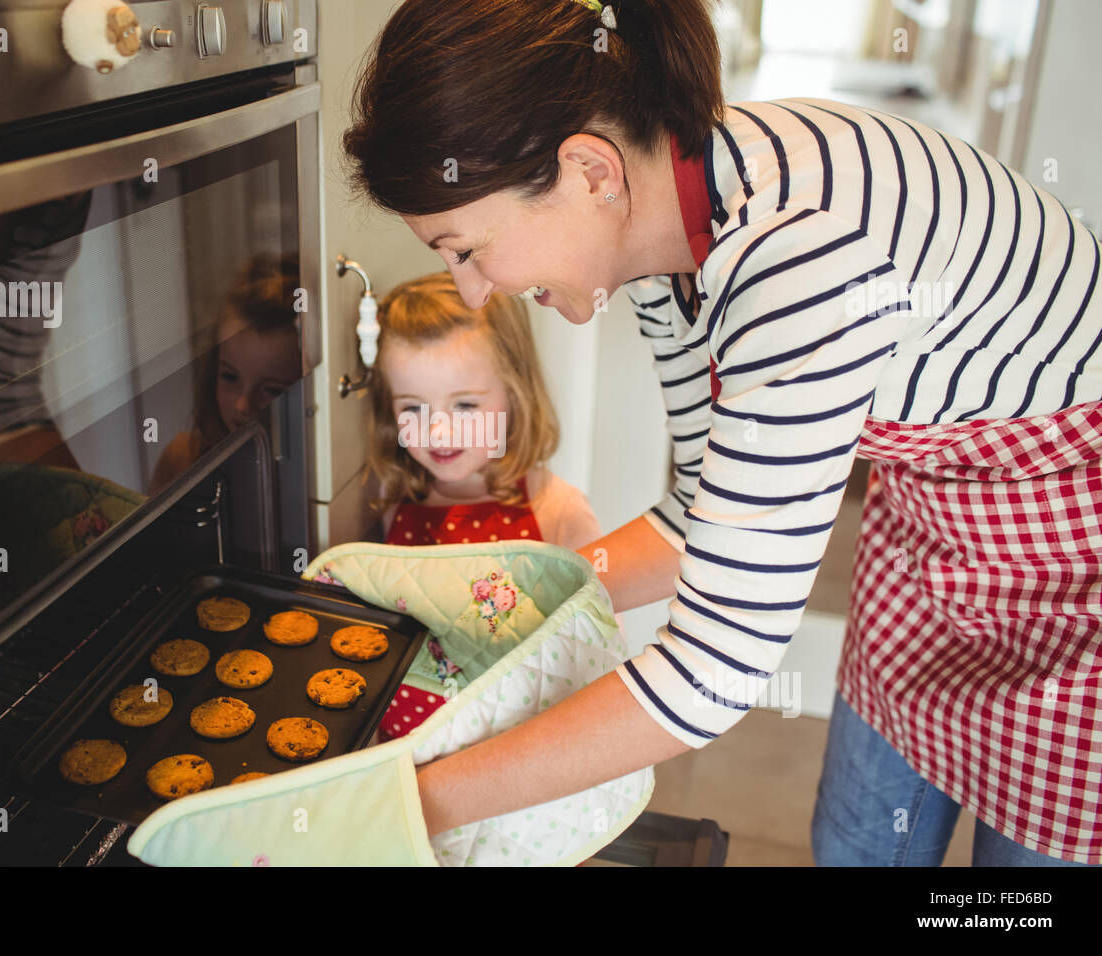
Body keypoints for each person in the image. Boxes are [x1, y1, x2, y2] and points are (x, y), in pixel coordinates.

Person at [342, 0, 1101, 865]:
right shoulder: (670, 232)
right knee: (858, 845)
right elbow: (700, 510)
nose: (472, 290)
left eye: (467, 249)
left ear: (590, 172)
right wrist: (510, 594)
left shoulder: (798, 256)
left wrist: (405, 799)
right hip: (929, 540)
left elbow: (717, 668)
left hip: (1077, 571)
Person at [361, 271, 603, 740]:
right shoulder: (395, 507)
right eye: (412, 407)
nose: (438, 432)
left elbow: (594, 653)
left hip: (514, 770)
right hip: (408, 761)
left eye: (465, 406)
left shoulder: (559, 512)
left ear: (513, 393)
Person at [148, 253, 302, 495]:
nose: (242, 405)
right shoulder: (183, 459)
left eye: (272, 390)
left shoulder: (313, 477)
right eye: (230, 377)